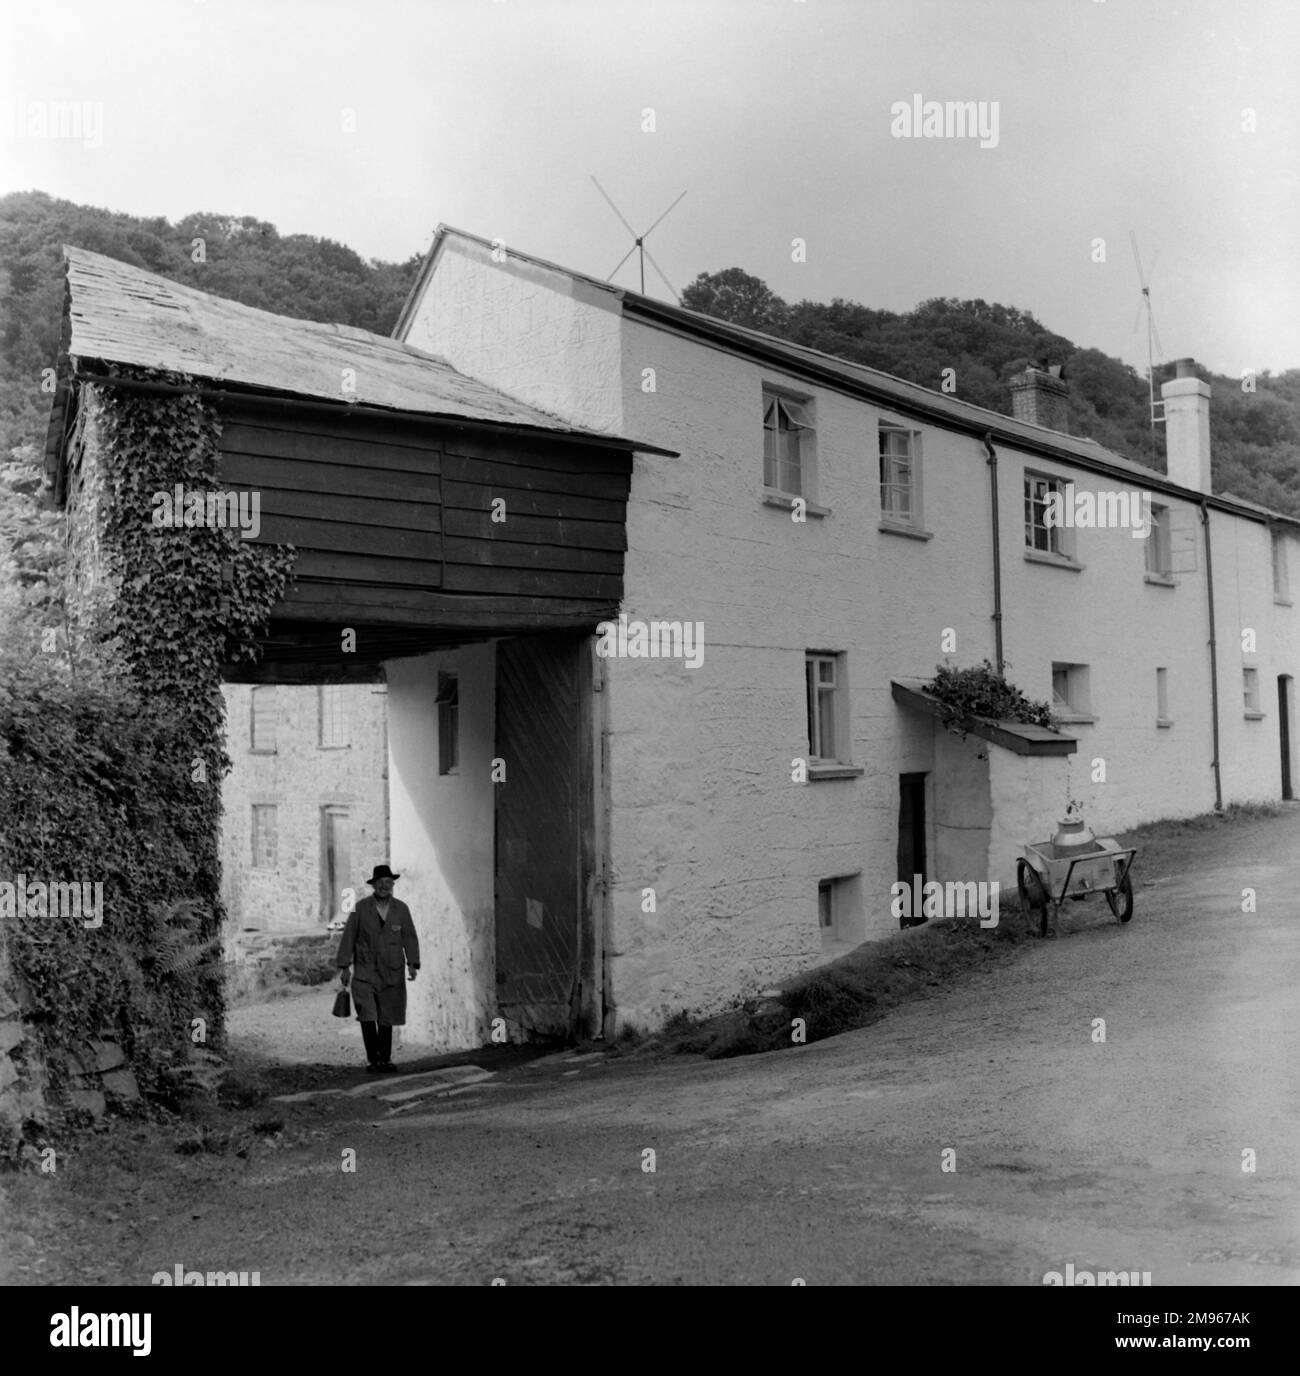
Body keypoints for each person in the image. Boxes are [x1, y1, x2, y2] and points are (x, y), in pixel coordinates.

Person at [335, 864, 420, 1072]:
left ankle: (385, 1058)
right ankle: (373, 1059)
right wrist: (344, 966)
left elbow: (409, 936)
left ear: (392, 885)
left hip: (392, 972)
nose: (384, 886)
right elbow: (349, 937)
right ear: (373, 885)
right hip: (365, 972)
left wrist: (412, 963)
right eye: (380, 883)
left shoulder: (401, 909)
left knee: (387, 1017)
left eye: (388, 883)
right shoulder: (360, 908)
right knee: (367, 1016)